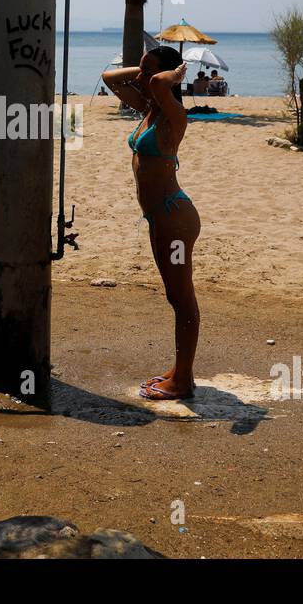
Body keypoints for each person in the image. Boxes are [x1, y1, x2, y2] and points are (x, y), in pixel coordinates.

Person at [102, 46, 200, 400]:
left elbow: (159, 82)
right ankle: (180, 371)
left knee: (181, 297)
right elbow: (109, 78)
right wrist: (144, 69)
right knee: (176, 296)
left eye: (148, 73)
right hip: (160, 218)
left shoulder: (174, 114)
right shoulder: (150, 110)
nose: (141, 79)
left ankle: (183, 380)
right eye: (141, 72)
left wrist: (173, 75)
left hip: (175, 221)